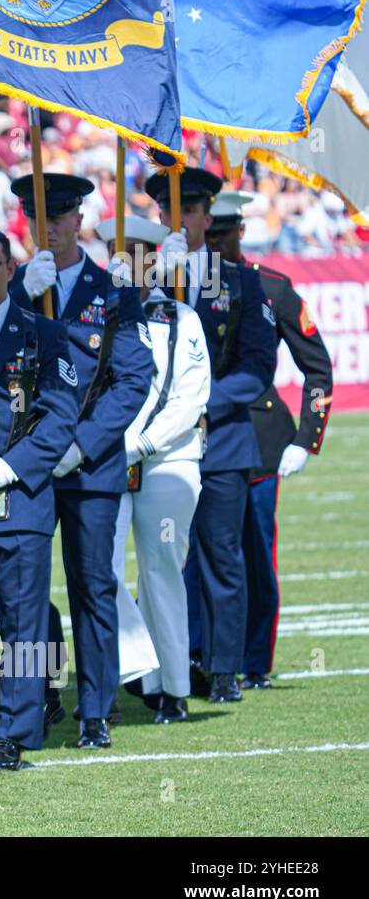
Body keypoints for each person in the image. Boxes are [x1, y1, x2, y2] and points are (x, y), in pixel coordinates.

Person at [9, 173, 152, 749]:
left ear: (77, 221)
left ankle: (96, 707)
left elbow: (133, 379)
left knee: (93, 585)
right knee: (25, 588)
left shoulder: (113, 290)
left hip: (90, 467)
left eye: (59, 216)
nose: (48, 227)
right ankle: (41, 695)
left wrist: (84, 443)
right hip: (30, 463)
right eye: (37, 217)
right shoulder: (13, 285)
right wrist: (19, 295)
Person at [0, 217, 79, 771]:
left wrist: (11, 466)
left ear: (12, 268)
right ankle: (1, 703)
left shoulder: (44, 333)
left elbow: (61, 416)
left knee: (24, 624)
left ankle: (15, 735)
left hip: (20, 497)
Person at [153, 169, 278, 704]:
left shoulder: (241, 281)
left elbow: (258, 367)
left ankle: (225, 667)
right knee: (161, 556)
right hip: (160, 442)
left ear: (208, 217)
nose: (179, 221)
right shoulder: (145, 278)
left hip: (221, 438)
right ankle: (171, 665)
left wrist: (201, 401)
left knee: (222, 554)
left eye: (190, 212)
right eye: (169, 212)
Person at [204, 191, 331, 690]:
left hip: (256, 442)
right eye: (207, 233)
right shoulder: (180, 286)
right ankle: (199, 656)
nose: (214, 243)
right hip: (188, 441)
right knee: (195, 557)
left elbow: (316, 366)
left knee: (252, 554)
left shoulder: (271, 289)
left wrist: (306, 439)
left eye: (222, 233)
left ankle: (252, 660)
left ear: (240, 232)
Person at [98, 215, 211, 725]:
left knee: (161, 569)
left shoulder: (180, 316)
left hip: (167, 458)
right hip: (107, 461)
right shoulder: (93, 313)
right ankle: (134, 667)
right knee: (101, 569)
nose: (127, 264)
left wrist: (141, 443)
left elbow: (190, 397)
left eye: (138, 254)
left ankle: (172, 687)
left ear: (154, 258)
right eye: (118, 254)